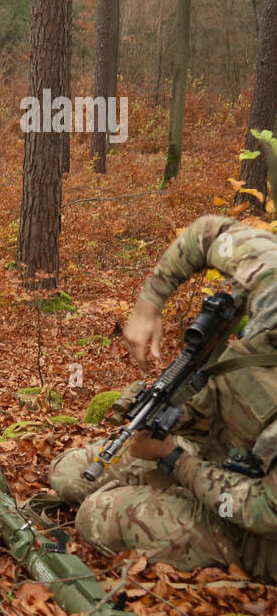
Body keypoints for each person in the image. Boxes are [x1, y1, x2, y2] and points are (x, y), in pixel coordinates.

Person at [49, 215, 277, 583]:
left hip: (249, 528)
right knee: (65, 473)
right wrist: (149, 304)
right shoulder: (270, 274)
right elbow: (206, 234)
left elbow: (266, 512)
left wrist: (174, 461)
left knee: (95, 514)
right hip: (216, 451)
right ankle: (160, 492)